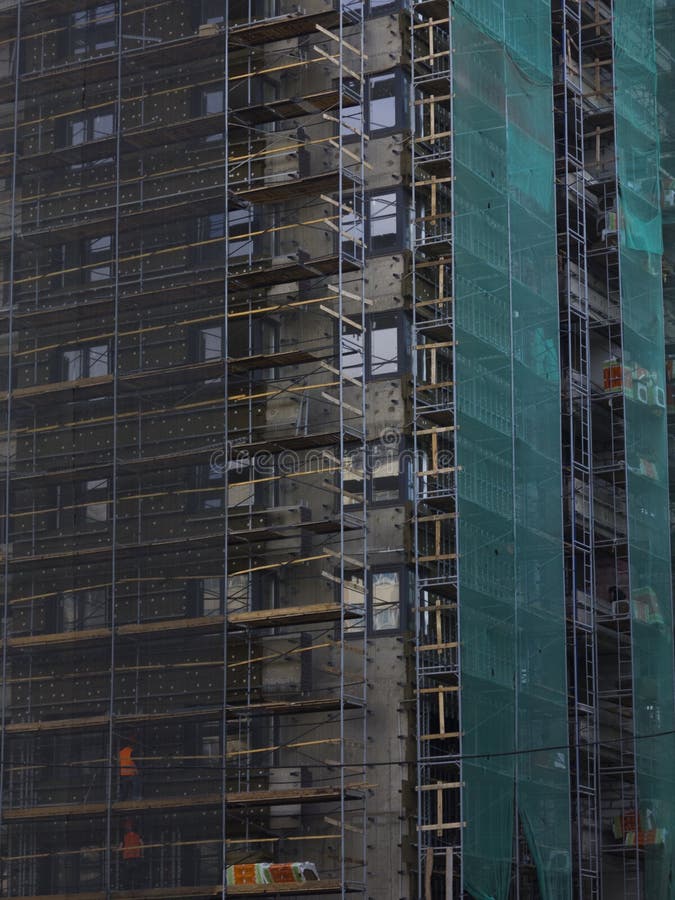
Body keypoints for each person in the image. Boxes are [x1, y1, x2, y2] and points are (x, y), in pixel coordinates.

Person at [120, 819, 144, 890]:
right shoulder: (138, 836)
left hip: (127, 857)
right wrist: (142, 854)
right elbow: (142, 844)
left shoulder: (124, 837)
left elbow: (120, 847)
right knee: (136, 874)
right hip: (136, 856)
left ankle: (126, 888)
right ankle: (137, 888)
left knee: (127, 875)